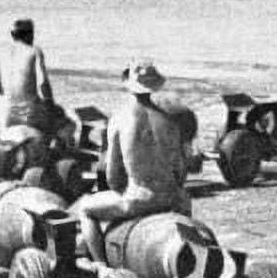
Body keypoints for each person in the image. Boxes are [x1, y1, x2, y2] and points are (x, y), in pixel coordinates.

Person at [73, 60, 191, 265]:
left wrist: (129, 187)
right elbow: (181, 172)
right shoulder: (171, 120)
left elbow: (112, 178)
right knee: (186, 204)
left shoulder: (120, 119)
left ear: (130, 84)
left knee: (84, 208)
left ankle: (101, 266)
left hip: (138, 200)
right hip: (174, 198)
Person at [0, 18, 63, 135]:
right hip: (30, 115)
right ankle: (53, 149)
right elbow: (43, 84)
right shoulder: (34, 51)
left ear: (12, 35)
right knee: (62, 117)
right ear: (30, 34)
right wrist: (51, 106)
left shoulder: (3, 53)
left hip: (6, 116)